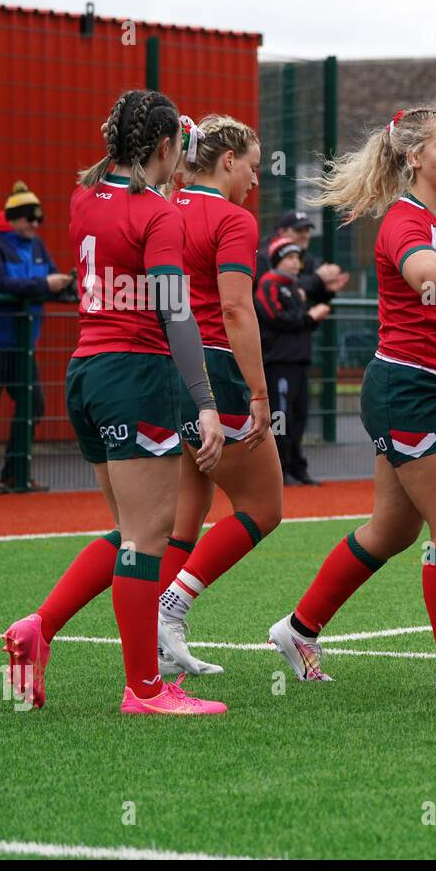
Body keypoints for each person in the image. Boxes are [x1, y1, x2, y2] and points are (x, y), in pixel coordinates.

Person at [265, 104, 436, 689]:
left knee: (392, 530)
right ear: (412, 157)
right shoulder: (404, 221)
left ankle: (299, 628)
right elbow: (425, 276)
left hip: (422, 385)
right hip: (408, 385)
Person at [1, 89, 227, 715]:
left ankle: (37, 628)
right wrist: (205, 400)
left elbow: (116, 228)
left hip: (88, 372)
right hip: (135, 374)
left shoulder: (83, 197)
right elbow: (175, 312)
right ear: (163, 147)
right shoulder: (159, 214)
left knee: (130, 530)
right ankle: (144, 690)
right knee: (148, 538)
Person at [151, 114, 284, 677]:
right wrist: (258, 393)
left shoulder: (161, 207)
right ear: (227, 161)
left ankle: (154, 641)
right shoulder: (232, 218)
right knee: (263, 508)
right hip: (217, 371)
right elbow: (235, 308)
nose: (256, 178)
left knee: (187, 515)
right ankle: (171, 606)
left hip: (161, 366)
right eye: (252, 166)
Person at [0, 184, 72, 493]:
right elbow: (4, 283)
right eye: (29, 218)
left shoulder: (38, 245)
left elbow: (52, 280)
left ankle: (15, 471)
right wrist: (44, 284)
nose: (35, 225)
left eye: (38, 219)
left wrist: (66, 285)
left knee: (33, 404)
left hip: (24, 344)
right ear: (13, 218)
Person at [256, 236, 330, 485]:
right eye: (289, 257)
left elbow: (297, 323)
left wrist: (310, 318)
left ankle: (296, 466)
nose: (295, 263)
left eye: (297, 258)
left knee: (298, 416)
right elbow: (277, 317)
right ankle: (279, 468)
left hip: (298, 362)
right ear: (277, 260)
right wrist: (309, 316)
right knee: (280, 417)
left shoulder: (294, 288)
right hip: (279, 363)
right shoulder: (269, 285)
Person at [255, 209, 349, 309]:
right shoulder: (264, 255)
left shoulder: (305, 255)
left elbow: (309, 291)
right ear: (281, 231)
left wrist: (326, 289)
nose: (305, 235)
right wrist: (318, 279)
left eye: (307, 230)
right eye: (298, 230)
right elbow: (275, 288)